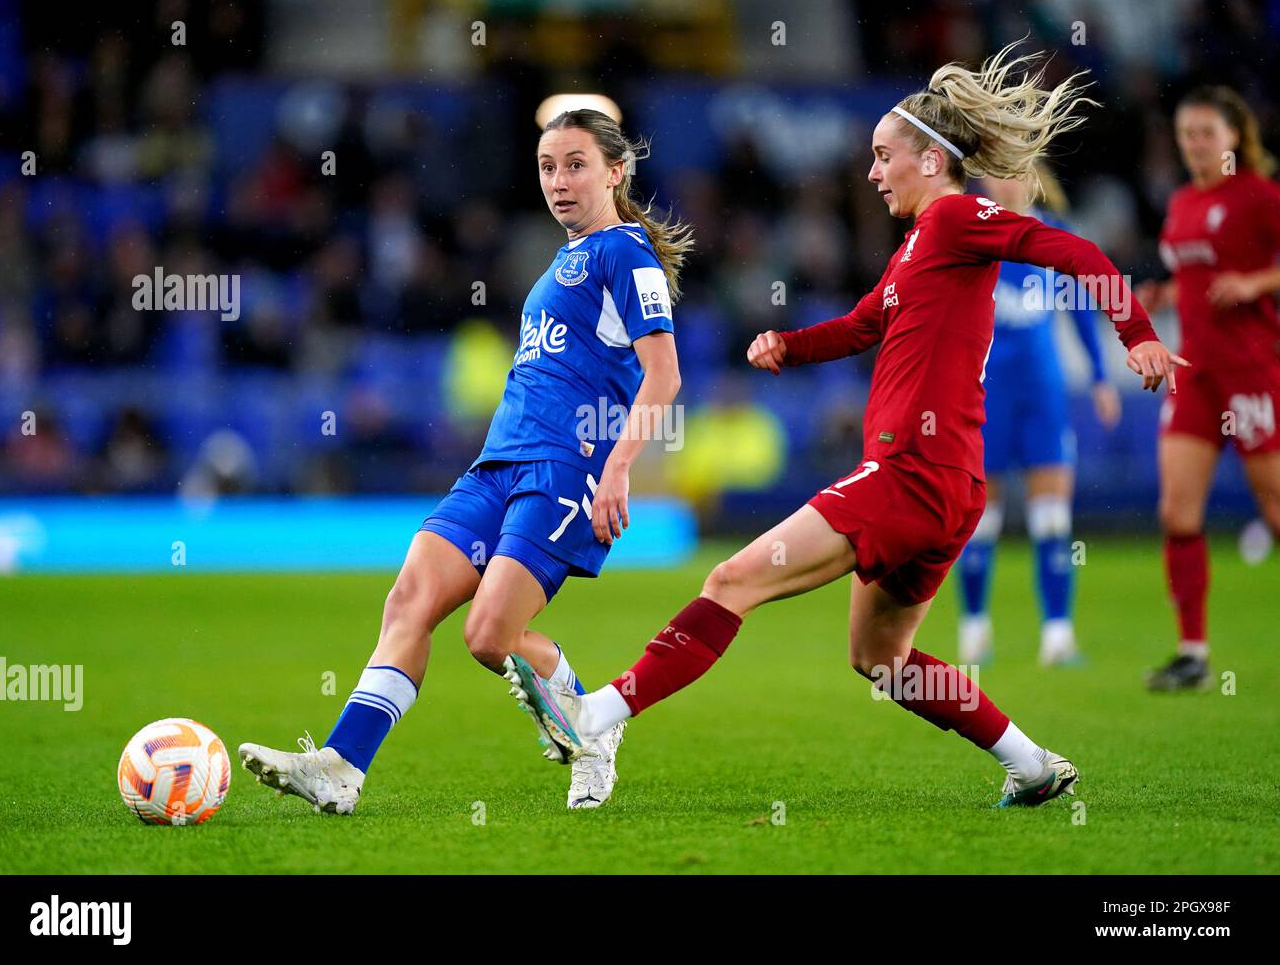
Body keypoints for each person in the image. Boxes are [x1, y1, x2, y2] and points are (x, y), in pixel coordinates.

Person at [506, 47, 1185, 807]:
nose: (871, 172)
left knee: (733, 580)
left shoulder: (960, 215)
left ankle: (595, 713)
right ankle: (1030, 764)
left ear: (931, 161)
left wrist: (1137, 335)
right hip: (947, 485)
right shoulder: (921, 246)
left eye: (882, 156)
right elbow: (867, 323)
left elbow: (1071, 249)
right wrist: (790, 345)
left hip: (912, 471)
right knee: (881, 656)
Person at [238, 109, 693, 811]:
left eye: (576, 165)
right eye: (547, 167)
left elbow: (663, 375)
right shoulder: (561, 261)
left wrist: (620, 466)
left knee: (489, 635)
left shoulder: (624, 253)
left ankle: (592, 726)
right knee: (409, 599)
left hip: (563, 471)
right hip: (497, 465)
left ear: (615, 171)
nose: (559, 181)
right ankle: (340, 766)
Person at [1135, 85, 1280, 691]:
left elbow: (1254, 271)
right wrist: (1166, 294)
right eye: (1186, 134)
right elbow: (1192, 273)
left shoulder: (1258, 196)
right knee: (1177, 511)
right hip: (1193, 373)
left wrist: (1253, 284)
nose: (1195, 145)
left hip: (1251, 372)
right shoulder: (1183, 201)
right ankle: (1193, 653)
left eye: (1206, 134)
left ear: (1233, 138)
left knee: (1274, 508)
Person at [955, 168, 1122, 667]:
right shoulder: (975, 235)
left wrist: (1099, 377)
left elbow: (1080, 311)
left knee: (1052, 518)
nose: (1004, 186)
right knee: (981, 520)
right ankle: (975, 629)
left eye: (1014, 174)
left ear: (1031, 176)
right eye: (995, 176)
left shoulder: (1055, 236)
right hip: (987, 397)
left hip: (1043, 395)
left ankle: (1057, 636)